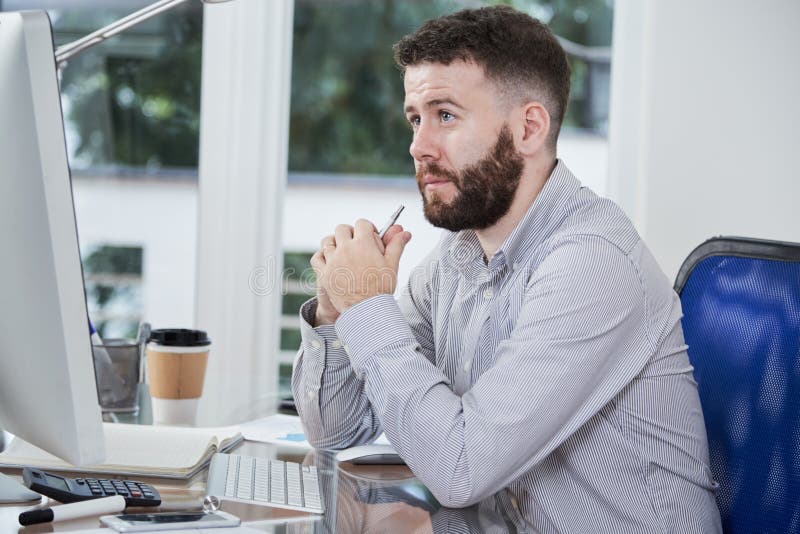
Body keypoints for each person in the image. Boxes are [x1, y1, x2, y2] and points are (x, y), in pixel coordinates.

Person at [292, 5, 722, 532]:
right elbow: (338, 430)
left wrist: (367, 305)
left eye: (444, 115)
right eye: (415, 118)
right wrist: (337, 314)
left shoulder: (593, 262)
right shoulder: (457, 259)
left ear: (528, 128)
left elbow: (460, 469)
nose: (418, 146)